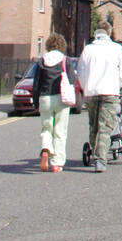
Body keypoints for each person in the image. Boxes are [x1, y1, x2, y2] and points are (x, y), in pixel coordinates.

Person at [76, 20, 122, 172]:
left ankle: (96, 153)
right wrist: (117, 84)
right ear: (109, 33)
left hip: (91, 92)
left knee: (93, 125)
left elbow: (80, 72)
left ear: (96, 33)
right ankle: (101, 159)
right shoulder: (117, 49)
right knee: (105, 127)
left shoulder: (87, 50)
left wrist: (87, 87)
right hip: (110, 92)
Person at [32, 32, 80, 173]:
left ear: (48, 45)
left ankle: (46, 148)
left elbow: (36, 85)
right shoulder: (66, 60)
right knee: (60, 131)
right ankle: (56, 163)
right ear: (62, 45)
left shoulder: (41, 61)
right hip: (61, 98)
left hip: (45, 98)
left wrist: (36, 103)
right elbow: (71, 80)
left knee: (46, 128)